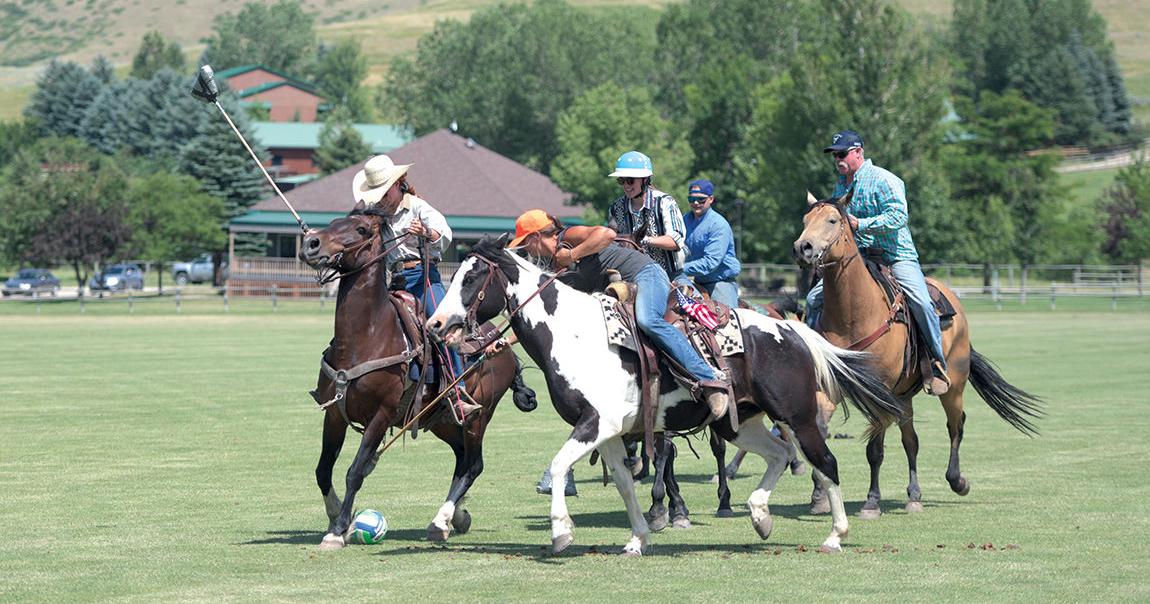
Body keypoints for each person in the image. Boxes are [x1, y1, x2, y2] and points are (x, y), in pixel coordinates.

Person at [804, 130, 950, 395]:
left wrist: (862, 224)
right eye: (835, 155)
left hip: (896, 256)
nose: (837, 159)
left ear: (858, 152)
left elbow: (898, 217)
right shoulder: (841, 186)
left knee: (920, 300)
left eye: (842, 153)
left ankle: (936, 362)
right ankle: (809, 360)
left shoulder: (885, 179)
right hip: (859, 257)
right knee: (814, 299)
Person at [351, 154, 478, 416]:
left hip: (424, 278)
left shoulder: (419, 208)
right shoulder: (376, 216)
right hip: (393, 282)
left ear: (399, 183)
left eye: (384, 191)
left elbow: (444, 236)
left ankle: (457, 393)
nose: (381, 197)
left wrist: (426, 233)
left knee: (441, 326)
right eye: (377, 192)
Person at [605, 151, 688, 285]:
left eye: (630, 180)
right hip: (630, 277)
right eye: (621, 180)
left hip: (671, 277)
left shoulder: (665, 202)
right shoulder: (616, 207)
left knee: (694, 305)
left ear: (645, 180)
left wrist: (644, 240)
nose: (626, 185)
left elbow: (675, 241)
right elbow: (611, 239)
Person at [682, 179, 741, 308]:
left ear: (711, 199)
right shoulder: (683, 220)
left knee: (725, 323)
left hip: (720, 282)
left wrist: (680, 268)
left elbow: (711, 263)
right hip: (696, 280)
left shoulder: (719, 225)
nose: (696, 203)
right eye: (691, 199)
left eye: (701, 199)